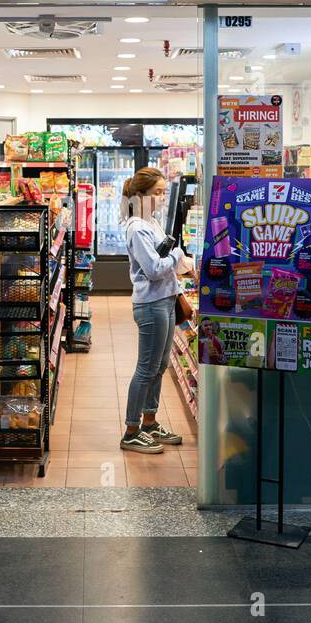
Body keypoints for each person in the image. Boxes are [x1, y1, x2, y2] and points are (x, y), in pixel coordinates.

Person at [120, 167, 192, 454]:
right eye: (157, 193)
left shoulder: (153, 224)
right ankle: (131, 430)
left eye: (164, 192)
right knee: (146, 368)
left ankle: (149, 422)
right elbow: (153, 269)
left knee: (160, 366)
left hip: (165, 300)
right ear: (139, 196)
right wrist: (177, 255)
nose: (162, 198)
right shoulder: (137, 227)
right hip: (150, 304)